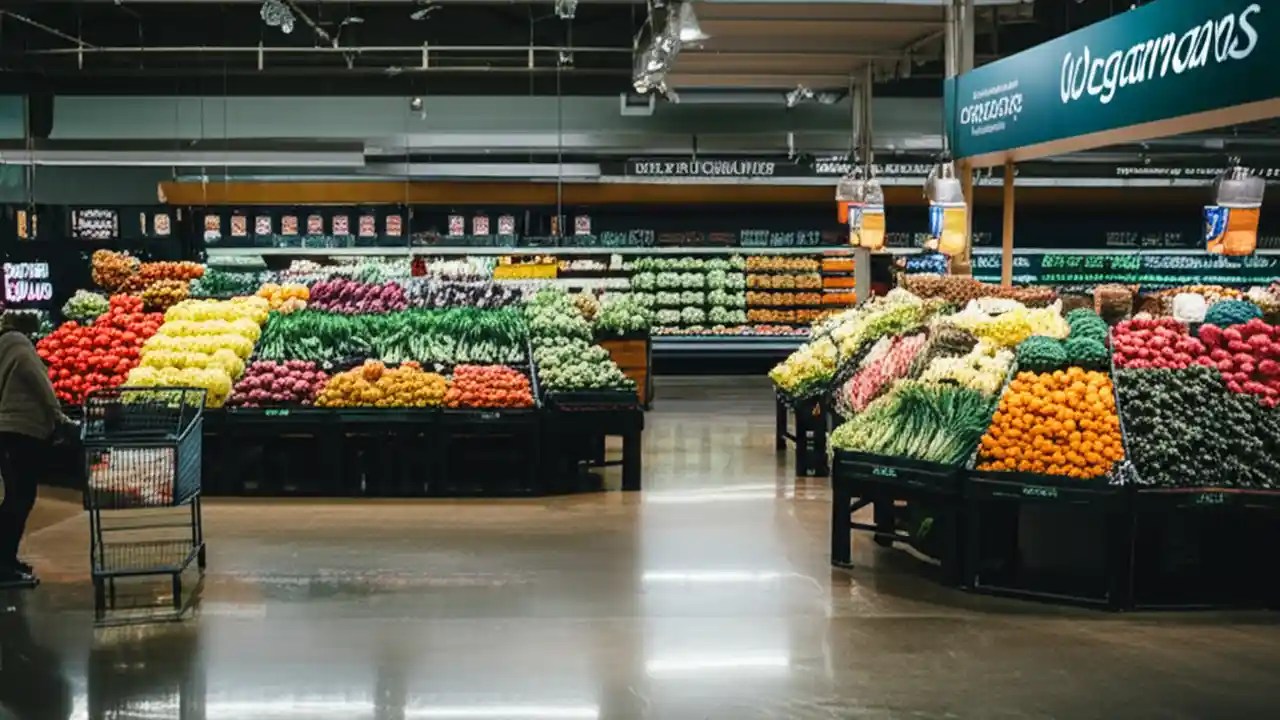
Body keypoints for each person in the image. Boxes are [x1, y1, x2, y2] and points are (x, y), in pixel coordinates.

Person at [0, 311, 74, 588]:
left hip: (9, 430)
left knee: (15, 497)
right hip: (21, 431)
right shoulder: (19, 344)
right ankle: (4, 565)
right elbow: (39, 382)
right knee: (19, 498)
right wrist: (60, 417)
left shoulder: (4, 342)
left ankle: (8, 559)